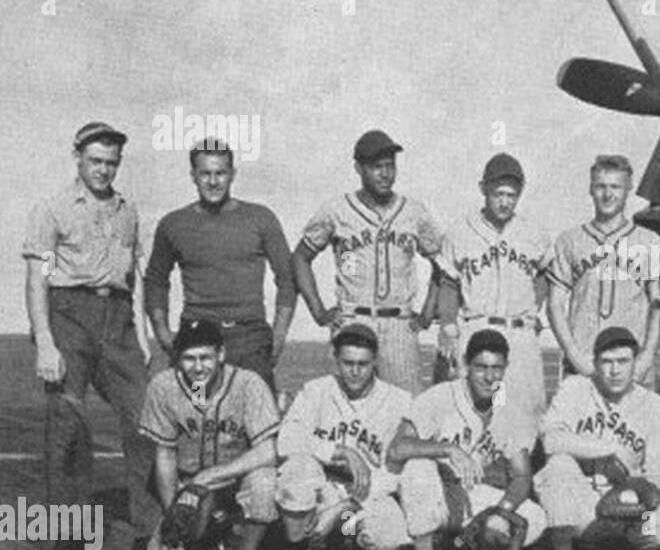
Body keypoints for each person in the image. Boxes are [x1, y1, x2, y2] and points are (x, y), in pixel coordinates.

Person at [22, 121, 159, 550]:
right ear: (77, 156)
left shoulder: (127, 211)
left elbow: (134, 277)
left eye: (111, 163)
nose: (103, 170)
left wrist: (140, 335)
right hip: (68, 316)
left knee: (145, 420)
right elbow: (36, 280)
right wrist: (45, 341)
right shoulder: (52, 208)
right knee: (68, 425)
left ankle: (148, 530)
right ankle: (68, 532)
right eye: (96, 161)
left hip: (117, 320)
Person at [275, 324, 442, 550]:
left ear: (375, 361)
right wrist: (340, 451)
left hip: (367, 493)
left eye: (363, 364)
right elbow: (286, 440)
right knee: (298, 469)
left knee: (386, 539)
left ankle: (347, 545)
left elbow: (396, 470)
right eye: (348, 363)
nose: (355, 371)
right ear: (335, 359)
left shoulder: (398, 400)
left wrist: (344, 506)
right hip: (323, 488)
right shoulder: (316, 390)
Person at [387, 329, 548, 550]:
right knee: (418, 467)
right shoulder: (440, 397)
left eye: (497, 368)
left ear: (506, 368)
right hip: (434, 494)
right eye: (481, 367)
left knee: (535, 517)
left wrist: (501, 512)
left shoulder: (506, 405)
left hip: (471, 495)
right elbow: (397, 449)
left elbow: (521, 476)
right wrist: (447, 449)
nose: (489, 376)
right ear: (466, 365)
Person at [293, 130, 445, 396]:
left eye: (390, 166)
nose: (385, 174)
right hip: (353, 318)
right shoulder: (337, 210)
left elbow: (443, 263)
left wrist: (428, 313)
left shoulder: (413, 212)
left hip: (399, 323)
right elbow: (300, 258)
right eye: (377, 167)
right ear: (359, 168)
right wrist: (318, 311)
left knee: (406, 409)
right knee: (347, 407)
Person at [534, 326, 660, 550]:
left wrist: (629, 502)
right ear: (595, 363)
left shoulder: (656, 406)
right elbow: (551, 441)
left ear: (636, 363)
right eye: (607, 362)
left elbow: (657, 479)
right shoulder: (576, 387)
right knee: (557, 467)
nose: (614, 370)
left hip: (629, 502)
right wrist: (609, 448)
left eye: (623, 362)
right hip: (581, 500)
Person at [137, 320, 280, 550]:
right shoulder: (164, 386)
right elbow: (165, 455)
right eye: (189, 358)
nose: (199, 366)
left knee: (265, 480)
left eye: (206, 357)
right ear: (178, 358)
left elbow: (269, 450)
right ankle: (216, 543)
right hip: (188, 486)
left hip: (235, 481)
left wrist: (210, 476)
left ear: (221, 354)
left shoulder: (248, 384)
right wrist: (173, 512)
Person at [144, 139, 295, 392]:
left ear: (232, 175)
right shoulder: (173, 224)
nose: (213, 182)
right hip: (195, 338)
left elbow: (287, 278)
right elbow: (156, 280)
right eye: (205, 174)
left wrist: (279, 334)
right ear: (193, 175)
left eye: (220, 173)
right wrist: (161, 331)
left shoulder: (260, 218)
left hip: (250, 338)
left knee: (258, 424)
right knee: (193, 422)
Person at [437, 153, 551, 417]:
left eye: (511, 195)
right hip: (479, 326)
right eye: (498, 194)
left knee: (526, 413)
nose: (504, 201)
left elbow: (544, 274)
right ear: (483, 189)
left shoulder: (533, 233)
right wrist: (448, 326)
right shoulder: (460, 231)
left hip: (519, 334)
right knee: (477, 411)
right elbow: (448, 282)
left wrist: (533, 309)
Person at [546, 154, 660, 384]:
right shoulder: (570, 240)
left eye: (615, 187)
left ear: (628, 189)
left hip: (631, 363)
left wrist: (646, 357)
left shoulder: (649, 241)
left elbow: (658, 305)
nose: (608, 194)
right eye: (600, 186)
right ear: (591, 189)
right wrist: (574, 355)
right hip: (584, 362)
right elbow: (554, 304)